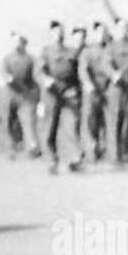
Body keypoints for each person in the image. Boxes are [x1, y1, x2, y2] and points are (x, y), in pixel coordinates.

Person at [38, 21, 83, 174]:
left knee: (72, 125)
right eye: (56, 32)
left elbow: (79, 72)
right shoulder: (45, 52)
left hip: (69, 92)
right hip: (51, 93)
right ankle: (51, 159)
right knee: (50, 127)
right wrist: (45, 79)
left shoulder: (72, 52)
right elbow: (38, 71)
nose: (59, 35)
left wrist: (77, 90)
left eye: (61, 32)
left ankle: (74, 159)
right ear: (51, 34)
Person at [2, 32, 41, 158]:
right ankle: (14, 144)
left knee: (29, 120)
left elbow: (36, 76)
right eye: (16, 42)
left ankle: (32, 146)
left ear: (25, 44)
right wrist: (8, 78)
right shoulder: (7, 58)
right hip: (11, 94)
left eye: (21, 42)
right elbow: (3, 73)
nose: (18, 45)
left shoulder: (31, 59)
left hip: (26, 94)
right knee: (11, 120)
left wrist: (35, 94)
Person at [104, 17, 128, 166]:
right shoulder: (110, 47)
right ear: (115, 30)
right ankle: (113, 156)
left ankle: (125, 152)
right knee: (114, 121)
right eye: (120, 28)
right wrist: (113, 74)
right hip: (116, 88)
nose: (123, 31)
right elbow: (106, 64)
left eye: (125, 28)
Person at [80, 21, 111, 163]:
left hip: (108, 89)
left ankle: (107, 150)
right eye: (98, 32)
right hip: (92, 90)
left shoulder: (110, 49)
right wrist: (87, 83)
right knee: (90, 120)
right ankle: (90, 151)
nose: (100, 35)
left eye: (103, 32)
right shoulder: (87, 51)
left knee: (108, 120)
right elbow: (82, 69)